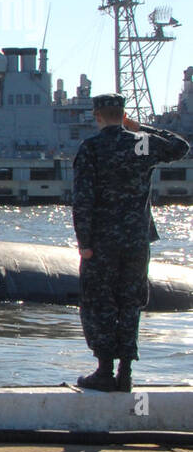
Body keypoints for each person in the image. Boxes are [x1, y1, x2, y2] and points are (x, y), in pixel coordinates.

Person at [71, 94, 189, 392]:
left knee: (100, 302)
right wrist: (142, 128)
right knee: (130, 301)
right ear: (123, 115)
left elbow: (82, 200)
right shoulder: (142, 143)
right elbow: (181, 147)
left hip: (101, 241)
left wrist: (84, 241)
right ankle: (125, 372)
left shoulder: (92, 148)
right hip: (136, 239)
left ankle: (104, 370)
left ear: (97, 116)